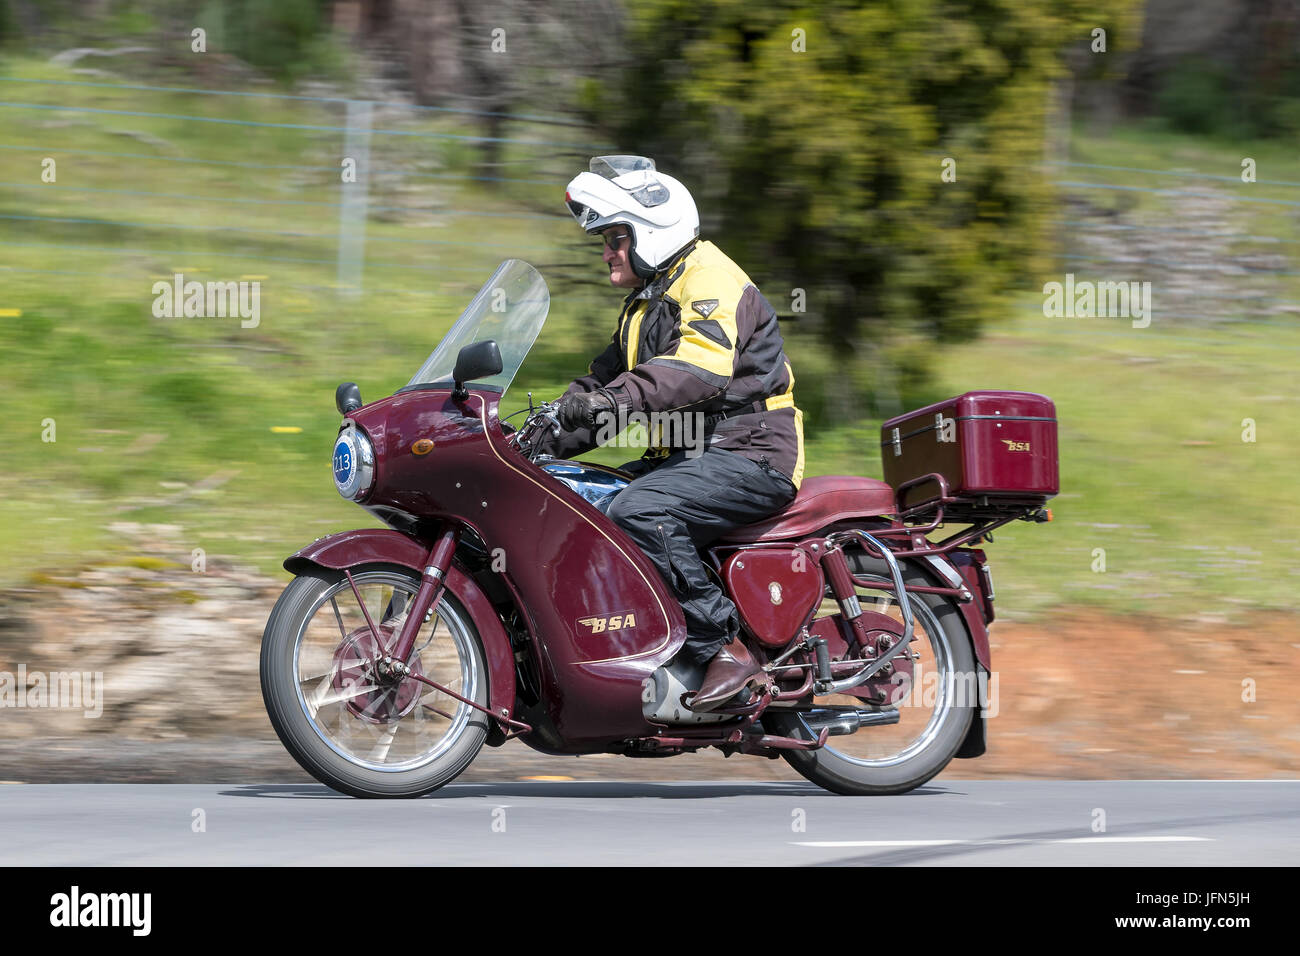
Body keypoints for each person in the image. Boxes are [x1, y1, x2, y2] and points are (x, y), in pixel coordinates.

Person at [536, 155, 805, 711]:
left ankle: (722, 648)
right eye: (605, 239)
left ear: (654, 233)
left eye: (616, 237)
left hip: (751, 452)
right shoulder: (644, 303)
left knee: (639, 509)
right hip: (688, 453)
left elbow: (697, 371)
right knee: (578, 497)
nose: (607, 251)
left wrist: (609, 402)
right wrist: (534, 438)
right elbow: (604, 387)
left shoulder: (709, 278)